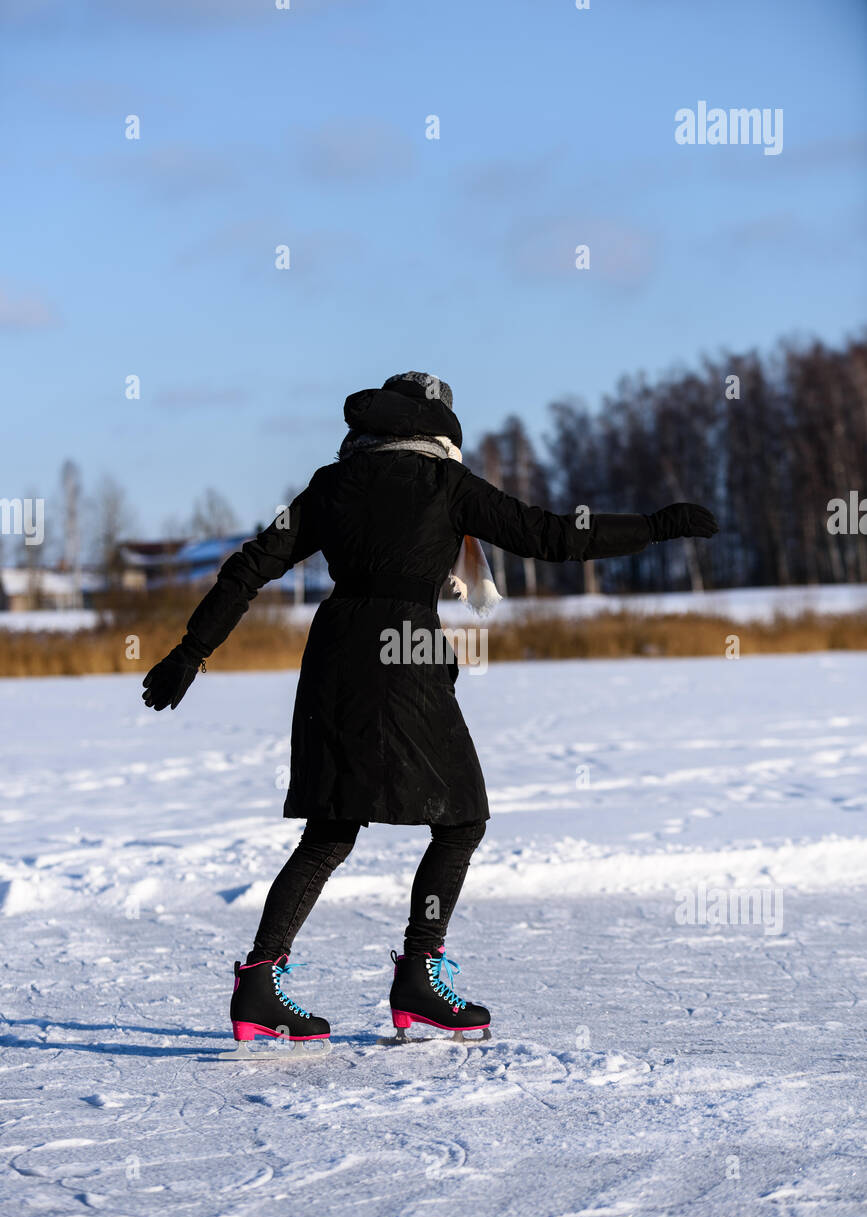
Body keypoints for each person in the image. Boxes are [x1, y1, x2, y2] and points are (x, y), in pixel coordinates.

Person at [142, 371, 718, 1050]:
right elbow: (555, 537)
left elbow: (248, 567)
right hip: (404, 648)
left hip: (334, 651)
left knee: (331, 828)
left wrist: (191, 651)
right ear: (435, 426)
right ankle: (419, 975)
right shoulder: (444, 483)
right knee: (460, 816)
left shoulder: (332, 484)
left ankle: (259, 984)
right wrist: (653, 527)